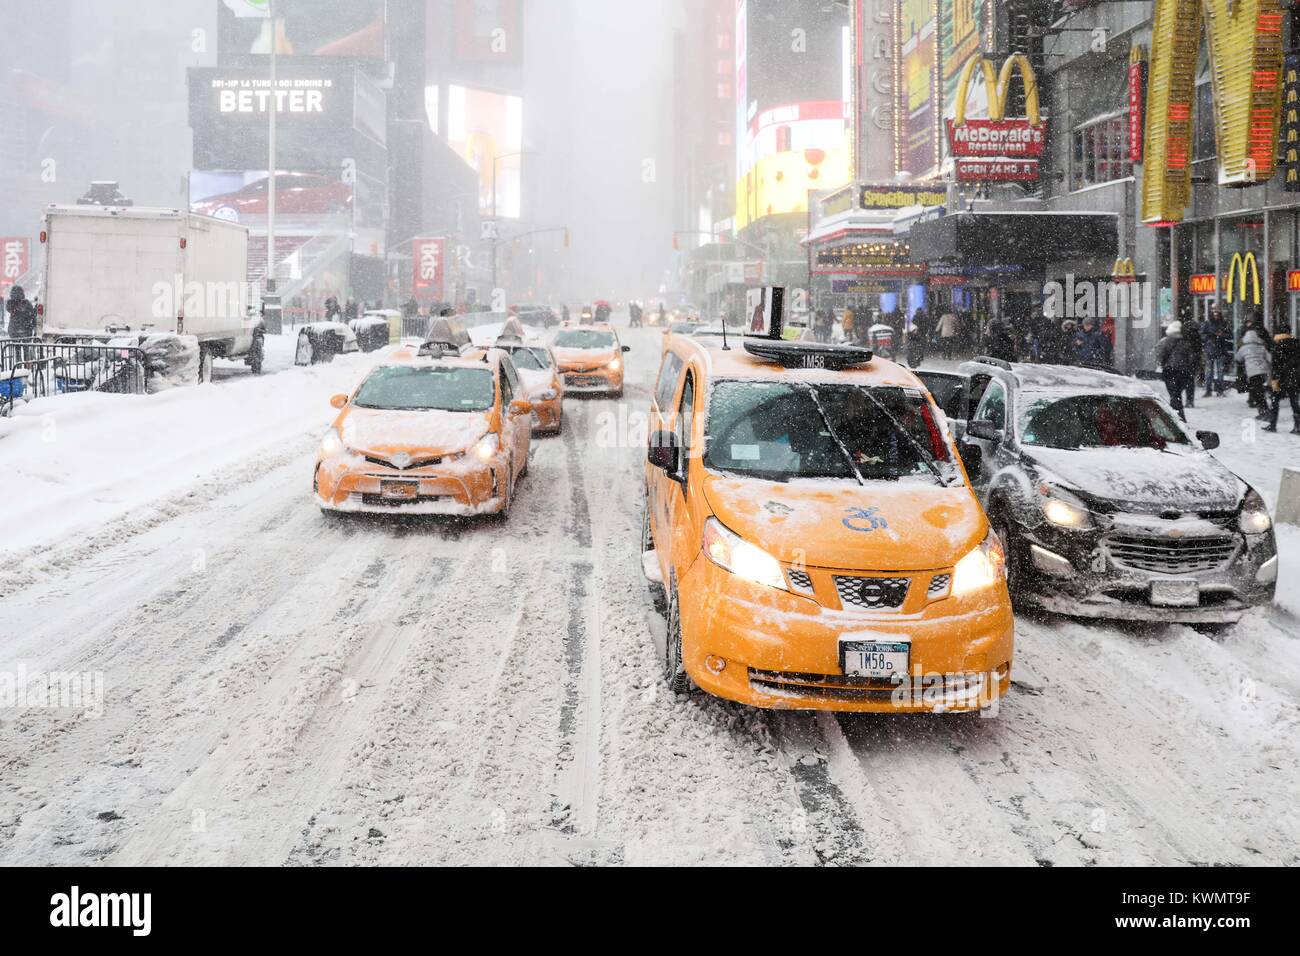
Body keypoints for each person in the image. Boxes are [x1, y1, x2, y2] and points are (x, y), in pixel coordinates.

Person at [1156, 321, 1196, 422]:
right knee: (1176, 395)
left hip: (1169, 371)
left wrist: (1164, 365)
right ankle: (1176, 417)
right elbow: (1191, 359)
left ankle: (1175, 418)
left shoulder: (1166, 341)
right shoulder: (1186, 343)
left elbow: (1161, 355)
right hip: (1183, 372)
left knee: (1174, 395)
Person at [1264, 322, 1300, 433]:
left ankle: (1273, 424)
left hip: (1281, 378)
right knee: (1294, 402)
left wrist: (1274, 380)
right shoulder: (1297, 343)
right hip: (1294, 377)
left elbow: (1275, 364)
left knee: (1275, 401)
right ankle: (1298, 426)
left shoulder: (1278, 344)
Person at [1235, 329, 1272, 419]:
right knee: (1259, 391)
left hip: (1252, 372)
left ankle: (1264, 412)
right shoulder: (1261, 347)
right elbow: (1270, 358)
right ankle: (1264, 411)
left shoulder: (1243, 348)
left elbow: (1237, 358)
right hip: (1263, 371)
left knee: (1257, 393)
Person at [1202, 307, 1231, 397]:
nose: (1216, 316)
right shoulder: (1208, 323)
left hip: (1219, 349)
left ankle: (1219, 390)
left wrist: (1222, 335)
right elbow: (1202, 335)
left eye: (1217, 314)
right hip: (1211, 349)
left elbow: (1230, 335)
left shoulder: (1223, 323)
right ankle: (1209, 390)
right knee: (1210, 372)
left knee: (1219, 372)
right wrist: (1210, 337)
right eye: (1214, 314)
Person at [1181, 316, 1203, 408]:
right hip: (1193, 361)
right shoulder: (1197, 336)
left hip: (1186, 361)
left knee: (1185, 381)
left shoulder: (1184, 336)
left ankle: (1186, 400)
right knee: (1190, 382)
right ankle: (1190, 400)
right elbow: (1199, 349)